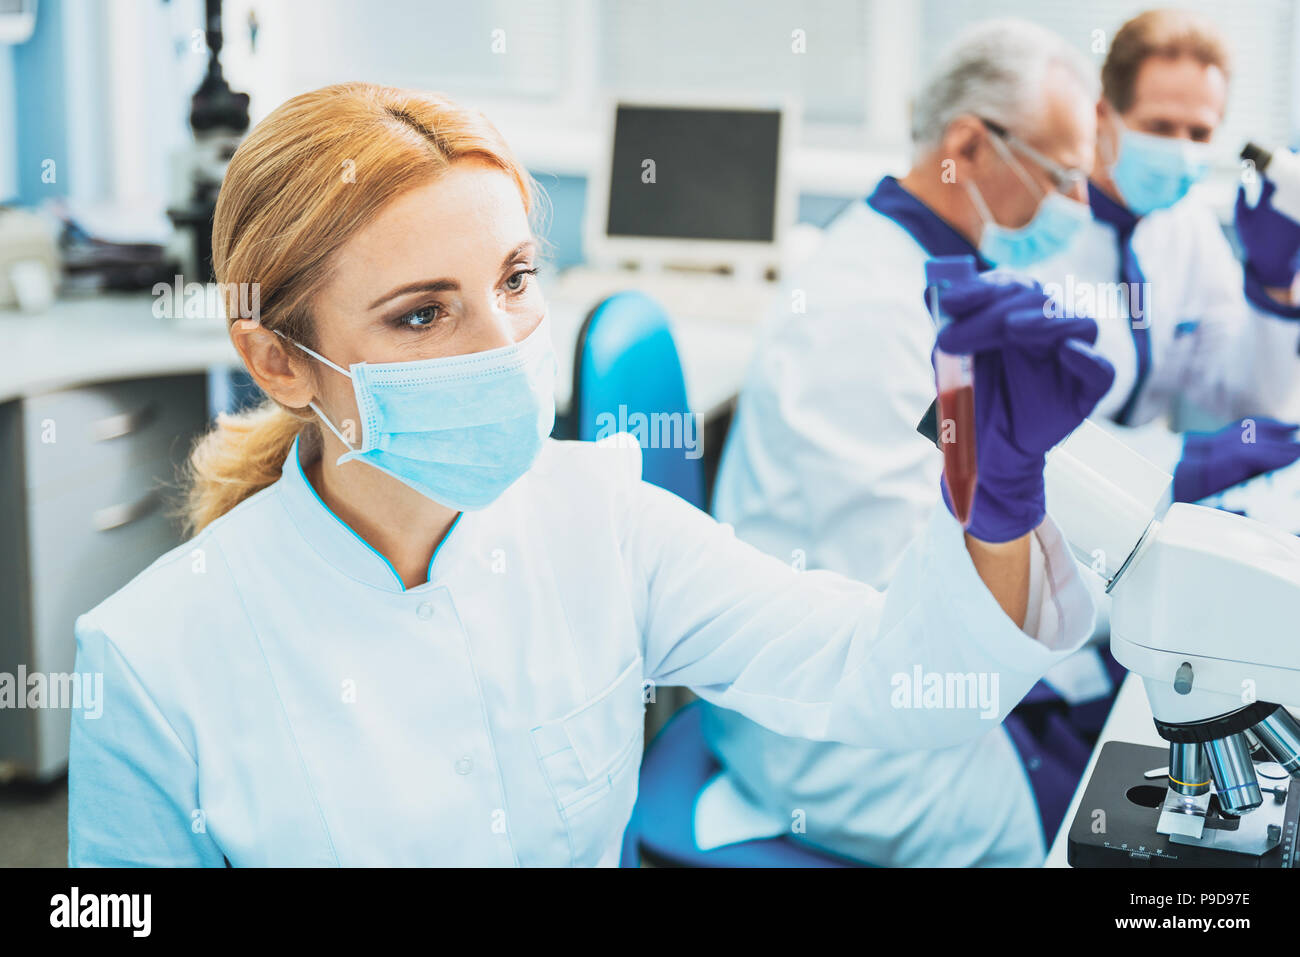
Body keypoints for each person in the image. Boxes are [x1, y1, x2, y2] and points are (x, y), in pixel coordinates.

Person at [65, 82, 1112, 867]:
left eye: (515, 280)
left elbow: (885, 681)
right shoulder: (153, 662)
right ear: (280, 361)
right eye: (423, 313)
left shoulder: (601, 520)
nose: (502, 342)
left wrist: (994, 503)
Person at [702, 20, 1117, 867]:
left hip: (914, 669)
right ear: (969, 143)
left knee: (1102, 741)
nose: (1078, 205)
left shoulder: (936, 277)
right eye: (1062, 175)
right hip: (839, 726)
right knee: (1089, 831)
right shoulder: (863, 308)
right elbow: (887, 586)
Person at [1028, 8, 1300, 502]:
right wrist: (1172, 463)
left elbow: (1248, 397)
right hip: (1047, 510)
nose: (1180, 149)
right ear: (1102, 115)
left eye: (1198, 133)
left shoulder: (1185, 223)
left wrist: (1273, 287)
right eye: (1159, 126)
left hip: (1141, 515)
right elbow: (1013, 431)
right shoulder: (1033, 228)